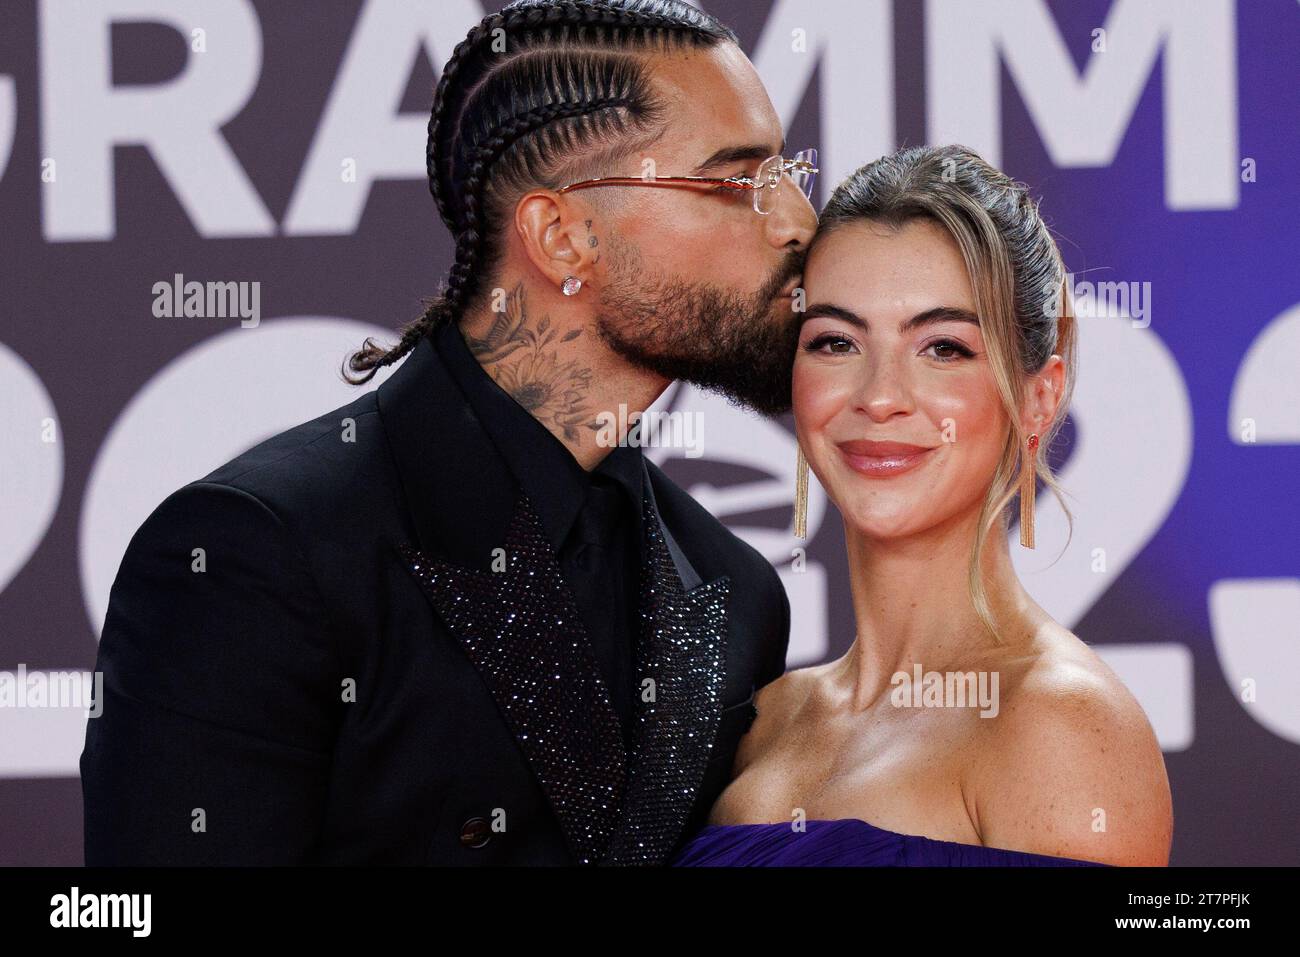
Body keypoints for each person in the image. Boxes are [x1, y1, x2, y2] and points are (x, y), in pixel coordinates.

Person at [81, 0, 817, 865]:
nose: (799, 221)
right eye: (739, 182)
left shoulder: (734, 589)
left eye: (788, 171)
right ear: (562, 237)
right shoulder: (258, 556)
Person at [673, 145, 1174, 867]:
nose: (879, 396)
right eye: (836, 341)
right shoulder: (766, 720)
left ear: (1039, 397)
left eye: (943, 348)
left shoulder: (1060, 726)